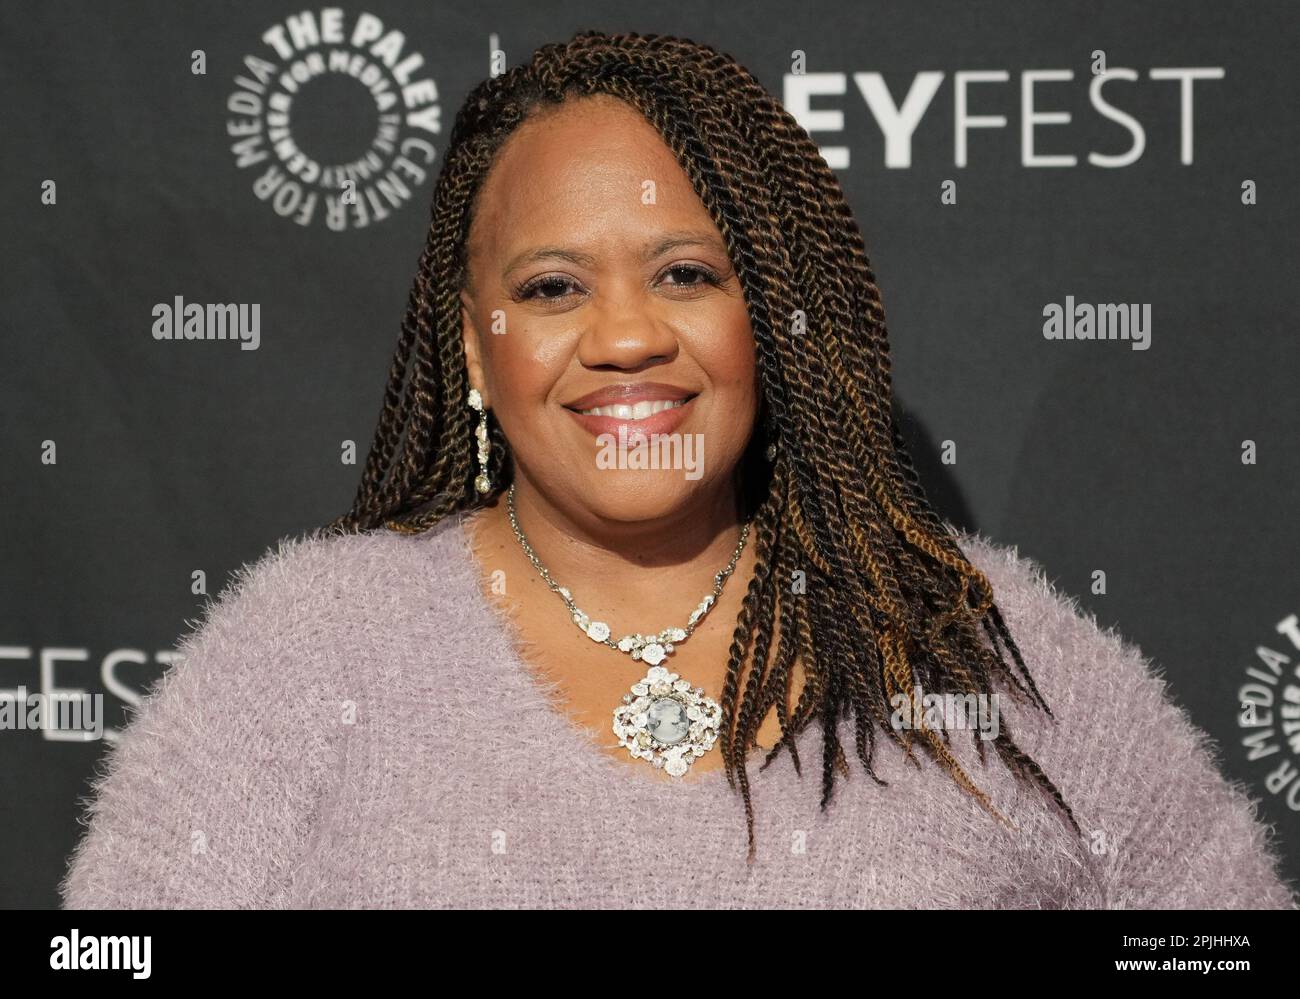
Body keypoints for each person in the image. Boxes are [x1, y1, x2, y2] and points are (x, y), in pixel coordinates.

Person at [60, 29, 1296, 909]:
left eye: (686, 274)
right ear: (474, 353)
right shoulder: (305, 654)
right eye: (551, 288)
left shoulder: (971, 642)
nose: (625, 336)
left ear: (773, 314)